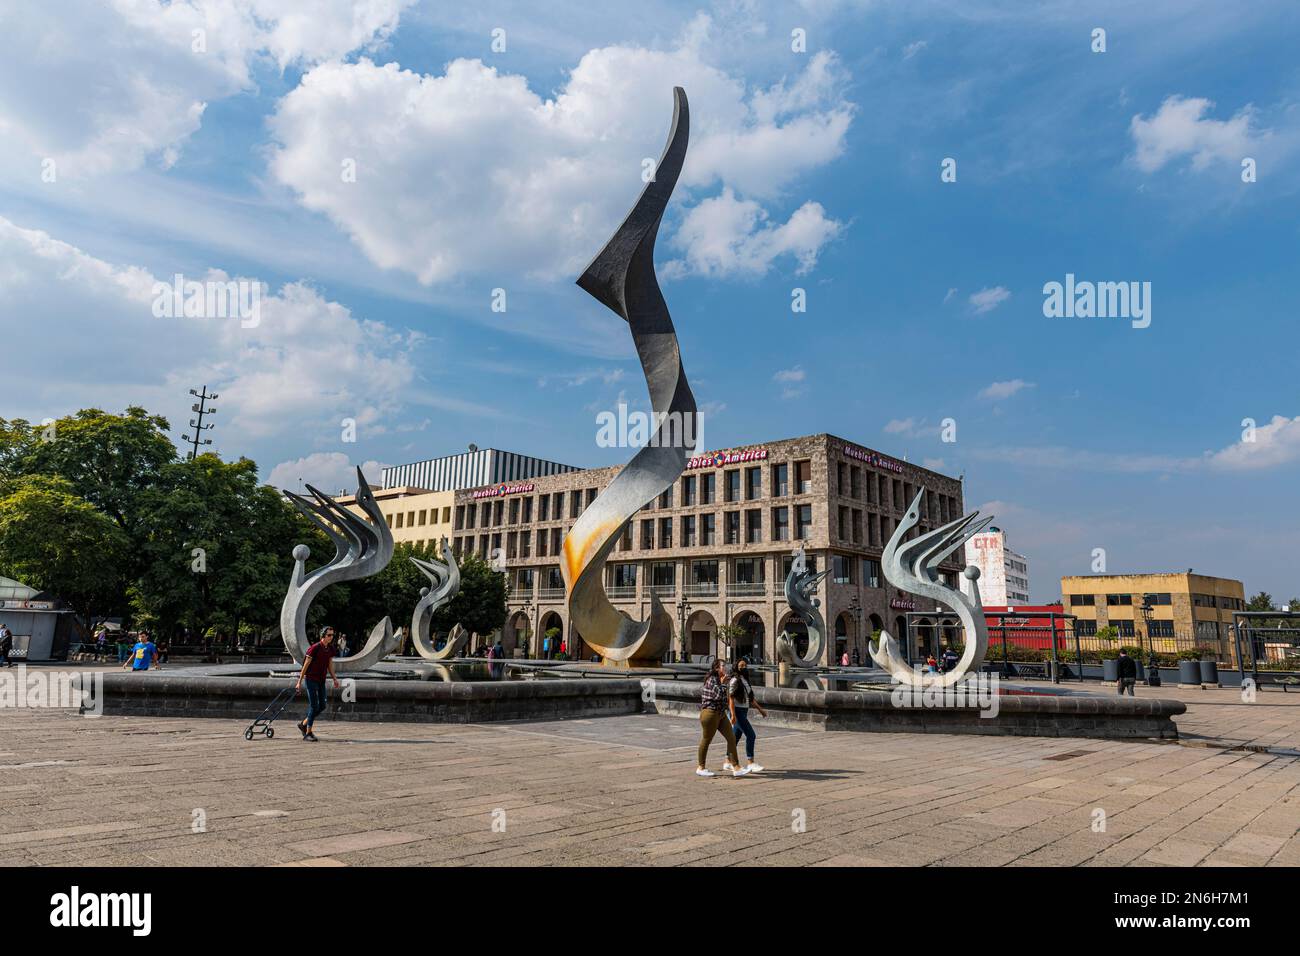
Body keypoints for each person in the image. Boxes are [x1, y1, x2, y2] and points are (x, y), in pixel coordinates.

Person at [696, 658, 747, 778]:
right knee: (706, 739)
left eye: (726, 665)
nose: (726, 667)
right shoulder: (712, 680)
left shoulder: (721, 680)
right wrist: (724, 684)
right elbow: (719, 695)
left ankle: (736, 767)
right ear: (717, 668)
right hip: (710, 713)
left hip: (721, 713)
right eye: (723, 665)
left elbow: (725, 699)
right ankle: (701, 767)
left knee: (731, 738)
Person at [295, 626, 340, 741]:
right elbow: (305, 665)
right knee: (314, 706)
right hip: (311, 680)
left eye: (332, 635)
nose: (331, 637)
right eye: (329, 635)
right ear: (323, 635)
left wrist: (334, 678)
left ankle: (303, 724)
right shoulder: (314, 648)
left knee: (322, 706)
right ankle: (308, 733)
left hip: (321, 680)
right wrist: (299, 682)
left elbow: (330, 664)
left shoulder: (330, 648)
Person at [724, 658, 767, 773]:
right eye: (741, 666)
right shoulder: (734, 680)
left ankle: (727, 761)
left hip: (743, 710)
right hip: (737, 711)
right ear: (736, 667)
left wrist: (760, 710)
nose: (744, 668)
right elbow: (730, 699)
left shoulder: (744, 680)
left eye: (745, 666)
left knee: (735, 738)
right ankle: (750, 763)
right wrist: (733, 715)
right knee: (751, 735)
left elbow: (750, 698)